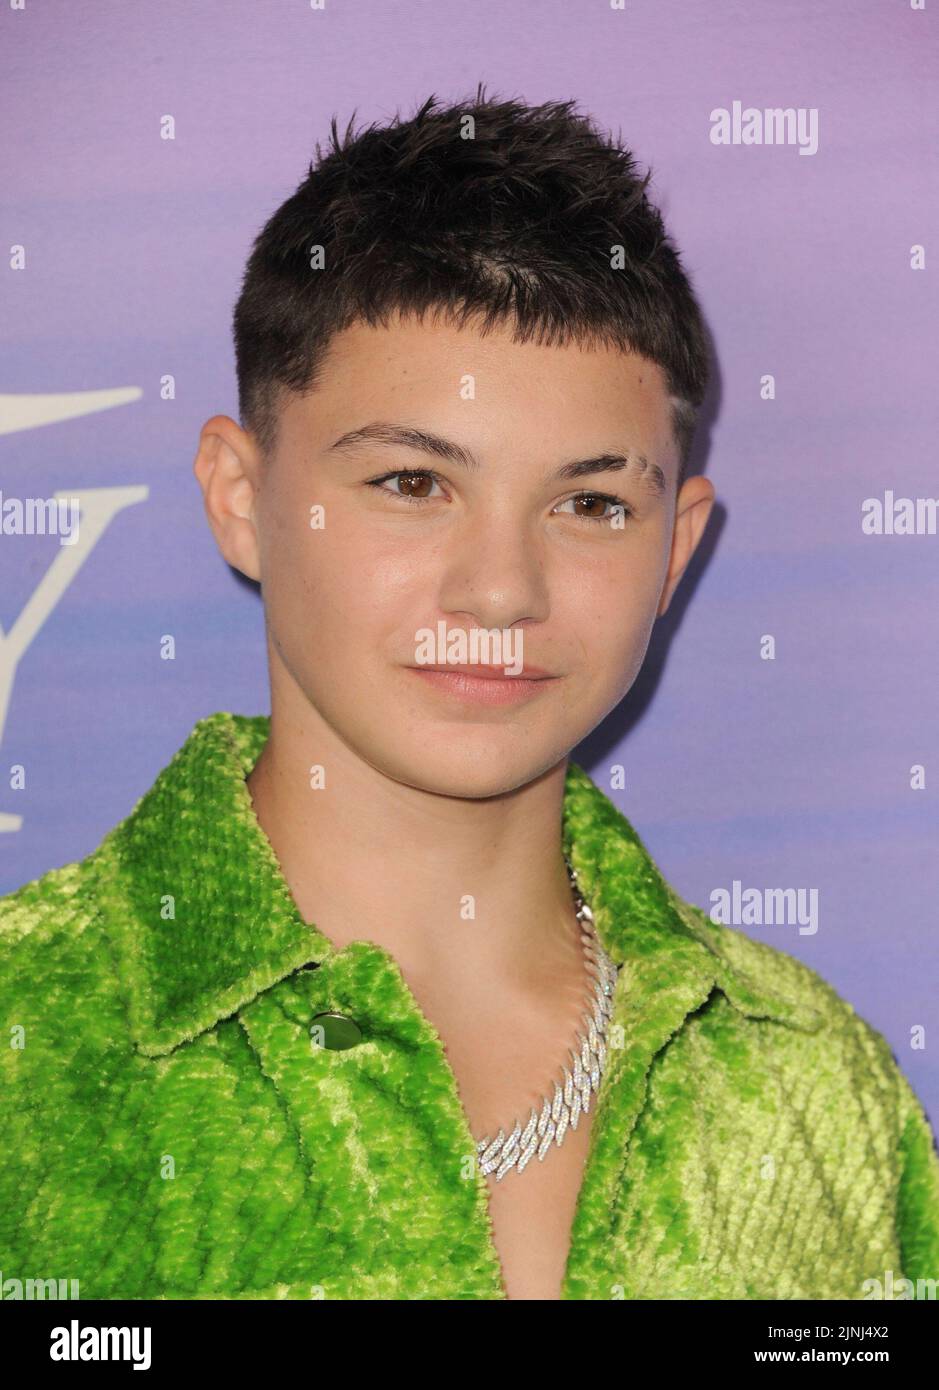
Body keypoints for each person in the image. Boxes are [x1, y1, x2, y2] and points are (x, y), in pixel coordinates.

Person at [1, 88, 937, 1303]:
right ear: (242, 496)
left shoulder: (820, 1089)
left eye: (591, 503)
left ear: (674, 549)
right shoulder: (33, 1048)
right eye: (410, 481)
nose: (501, 590)